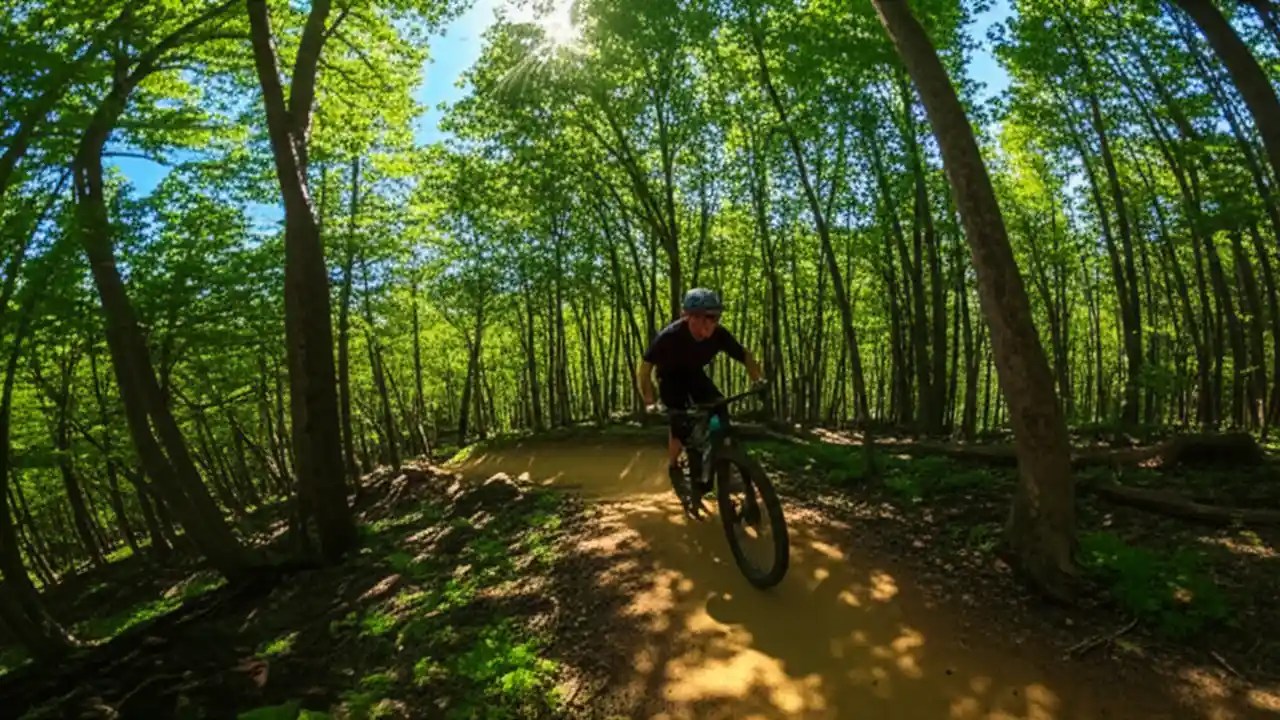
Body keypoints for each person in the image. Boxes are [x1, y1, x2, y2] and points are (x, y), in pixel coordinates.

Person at [638, 288, 765, 510]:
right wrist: (650, 402)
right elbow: (644, 370)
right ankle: (674, 465)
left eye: (714, 317)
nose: (710, 323)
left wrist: (758, 380)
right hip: (669, 379)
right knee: (681, 426)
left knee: (719, 406)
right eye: (703, 318)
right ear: (687, 317)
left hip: (695, 375)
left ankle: (723, 457)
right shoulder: (669, 337)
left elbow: (744, 354)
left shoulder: (719, 334)